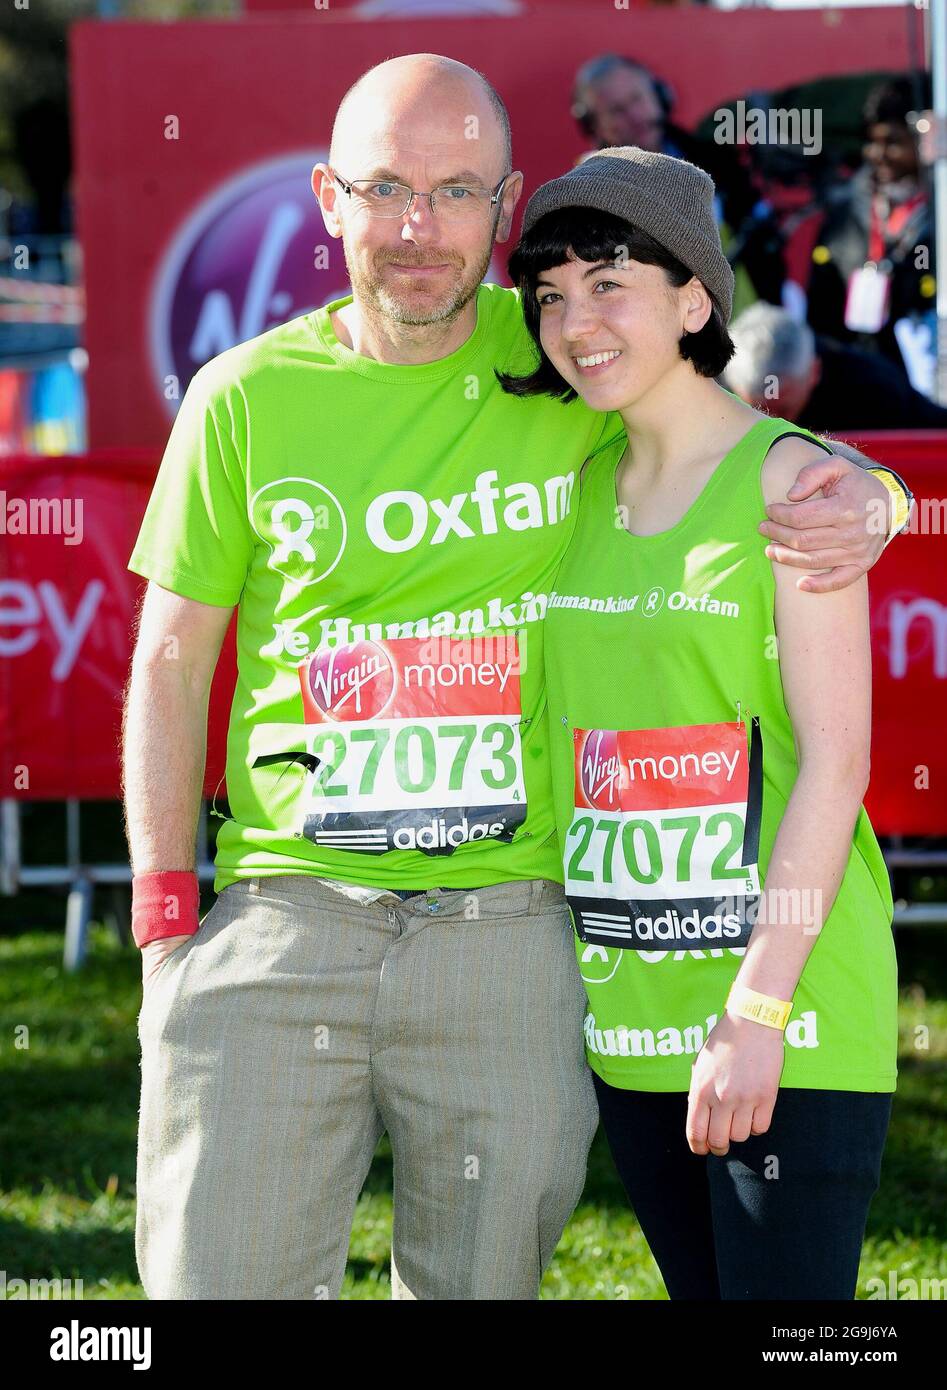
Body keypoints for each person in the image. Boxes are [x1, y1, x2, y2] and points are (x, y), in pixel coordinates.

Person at [123, 56, 909, 1301]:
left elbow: (740, 437)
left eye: (454, 190)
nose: (417, 226)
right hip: (286, 914)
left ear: (506, 198)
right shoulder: (243, 398)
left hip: (509, 925)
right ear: (329, 200)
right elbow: (168, 660)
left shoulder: (569, 361)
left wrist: (875, 495)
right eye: (384, 188)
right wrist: (165, 924)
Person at [500, 146, 899, 1300]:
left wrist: (756, 1007)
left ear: (692, 299)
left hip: (783, 1010)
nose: (575, 320)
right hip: (632, 1022)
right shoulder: (569, 488)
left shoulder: (792, 488)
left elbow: (837, 765)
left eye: (608, 283)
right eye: (551, 295)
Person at [806, 76, 935, 384]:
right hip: (852, 384)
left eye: (892, 143)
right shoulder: (843, 210)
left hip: (924, 389)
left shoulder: (939, 216)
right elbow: (819, 309)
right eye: (871, 142)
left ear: (923, 143)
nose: (877, 154)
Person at [723, 300, 947, 431]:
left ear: (814, 371)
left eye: (784, 411)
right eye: (758, 409)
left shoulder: (875, 394)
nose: (772, 423)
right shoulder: (711, 383)